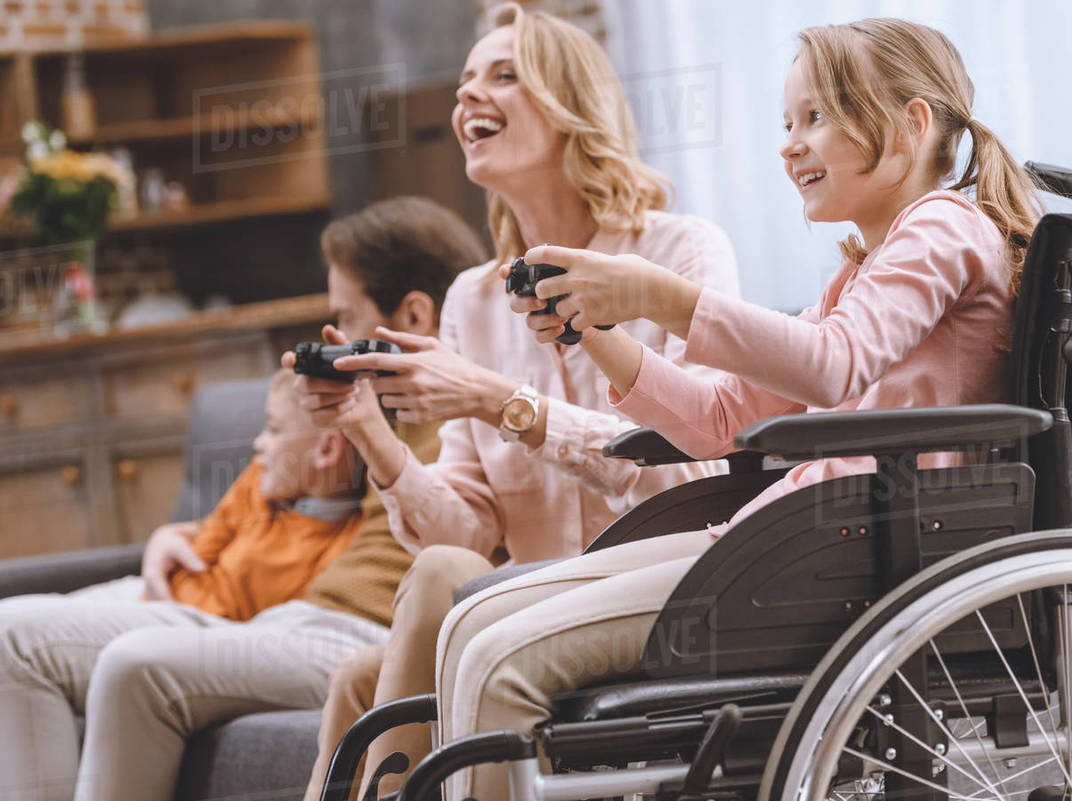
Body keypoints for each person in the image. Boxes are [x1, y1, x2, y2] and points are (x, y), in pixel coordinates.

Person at [432, 17, 1044, 801]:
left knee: (500, 658)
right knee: (469, 623)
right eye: (788, 123)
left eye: (816, 117)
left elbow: (832, 367)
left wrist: (664, 296)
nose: (791, 144)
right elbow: (718, 419)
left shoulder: (944, 226)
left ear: (912, 124)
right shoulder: (863, 269)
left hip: (857, 549)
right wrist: (599, 331)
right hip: (808, 536)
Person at [297, 6, 742, 799]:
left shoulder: (677, 253)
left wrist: (506, 402)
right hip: (522, 601)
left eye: (503, 76)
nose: (471, 96)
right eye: (465, 82)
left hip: (660, 592)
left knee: (404, 643)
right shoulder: (473, 298)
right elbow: (468, 532)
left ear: (572, 108)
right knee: (371, 658)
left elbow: (698, 458)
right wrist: (371, 432)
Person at [0, 195, 487, 801]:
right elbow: (277, 488)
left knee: (115, 661)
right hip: (296, 618)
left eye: (346, 315)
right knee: (15, 633)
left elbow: (466, 541)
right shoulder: (382, 408)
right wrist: (175, 534)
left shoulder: (467, 412)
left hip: (362, 632)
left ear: (414, 315)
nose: (335, 341)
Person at [0, 369, 365, 801]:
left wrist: (168, 600)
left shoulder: (341, 544)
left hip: (189, 616)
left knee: (15, 637)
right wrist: (166, 550)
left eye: (273, 429)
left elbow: (255, 612)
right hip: (158, 591)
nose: (258, 443)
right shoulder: (260, 484)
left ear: (327, 449)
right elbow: (205, 541)